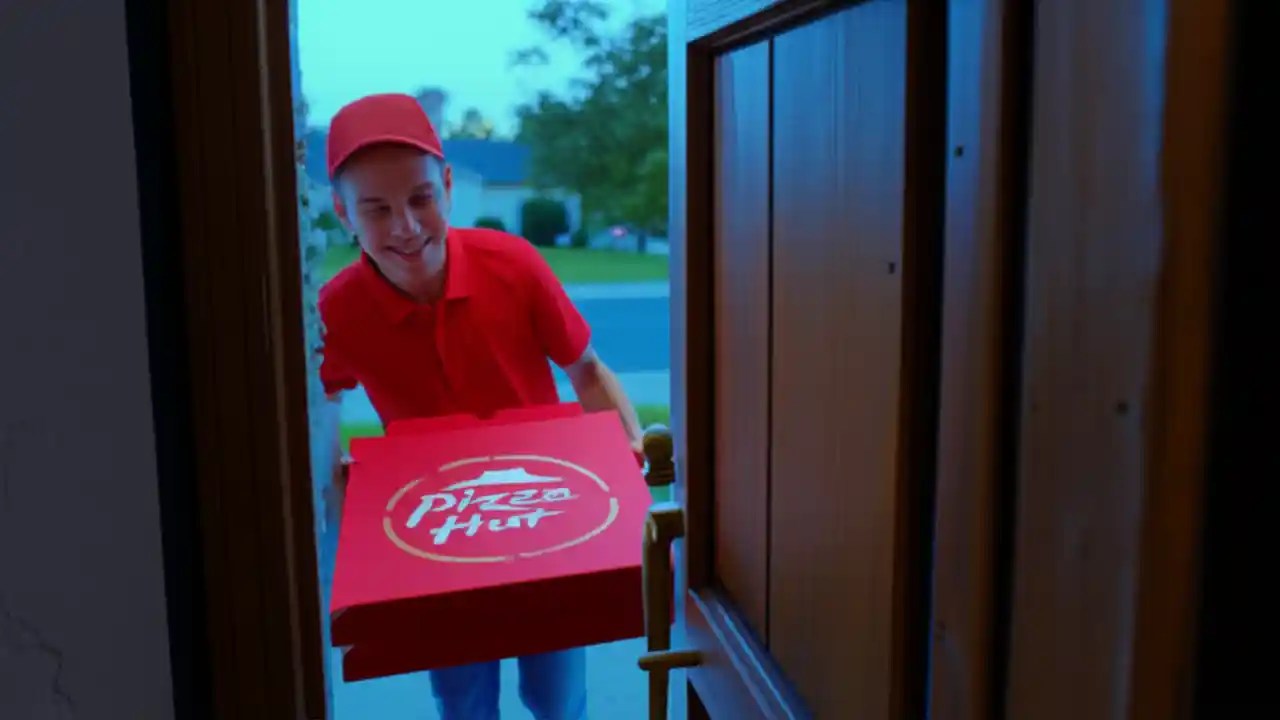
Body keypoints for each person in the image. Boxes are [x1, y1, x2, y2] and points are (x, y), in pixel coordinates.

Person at [317, 92, 642, 720]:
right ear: (342, 214)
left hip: (547, 513)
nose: (406, 228)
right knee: (462, 698)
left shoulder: (513, 265)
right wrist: (337, 510)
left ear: (446, 186)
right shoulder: (337, 308)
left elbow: (587, 371)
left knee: (556, 694)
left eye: (419, 199)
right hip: (434, 529)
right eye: (376, 210)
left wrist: (625, 454)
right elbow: (323, 409)